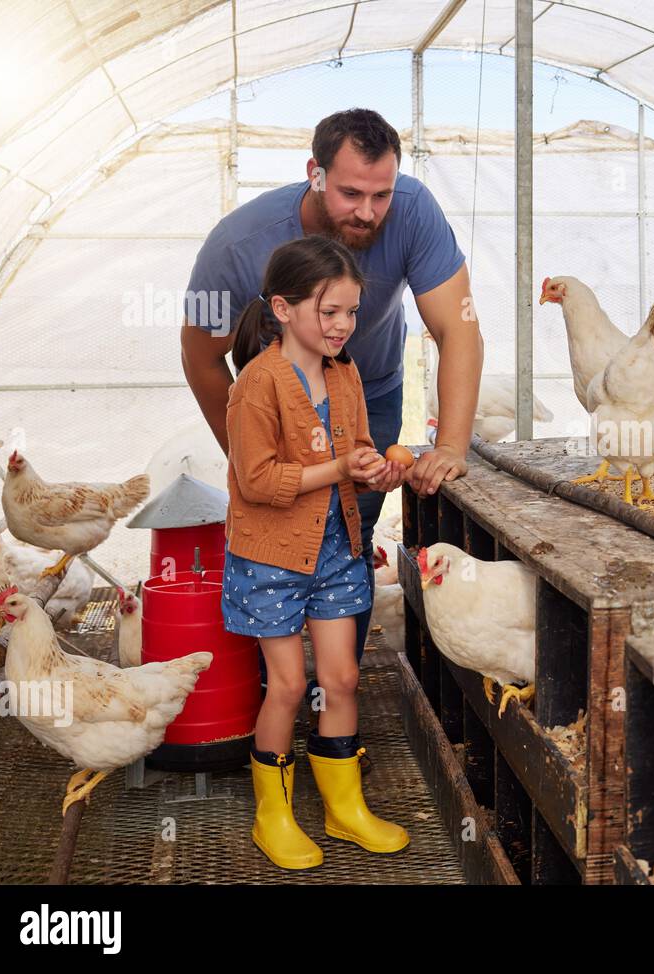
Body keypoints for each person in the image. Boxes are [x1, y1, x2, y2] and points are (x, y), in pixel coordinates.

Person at [181, 108, 483, 680]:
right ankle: (281, 688)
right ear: (314, 174)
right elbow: (200, 356)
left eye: (381, 195)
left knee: (349, 537)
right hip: (274, 405)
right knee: (277, 540)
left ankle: (340, 689)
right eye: (350, 193)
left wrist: (454, 447)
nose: (367, 212)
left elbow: (458, 329)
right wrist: (249, 457)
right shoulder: (236, 246)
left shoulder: (414, 209)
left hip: (369, 390)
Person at [224, 234, 409, 870]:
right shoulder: (257, 384)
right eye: (328, 312)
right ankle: (272, 816)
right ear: (282, 308)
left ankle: (343, 807)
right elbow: (257, 481)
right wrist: (337, 468)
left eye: (351, 312)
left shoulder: (346, 372)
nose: (341, 326)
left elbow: (354, 450)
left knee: (342, 679)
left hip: (336, 547)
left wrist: (376, 469)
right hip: (271, 554)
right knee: (288, 684)